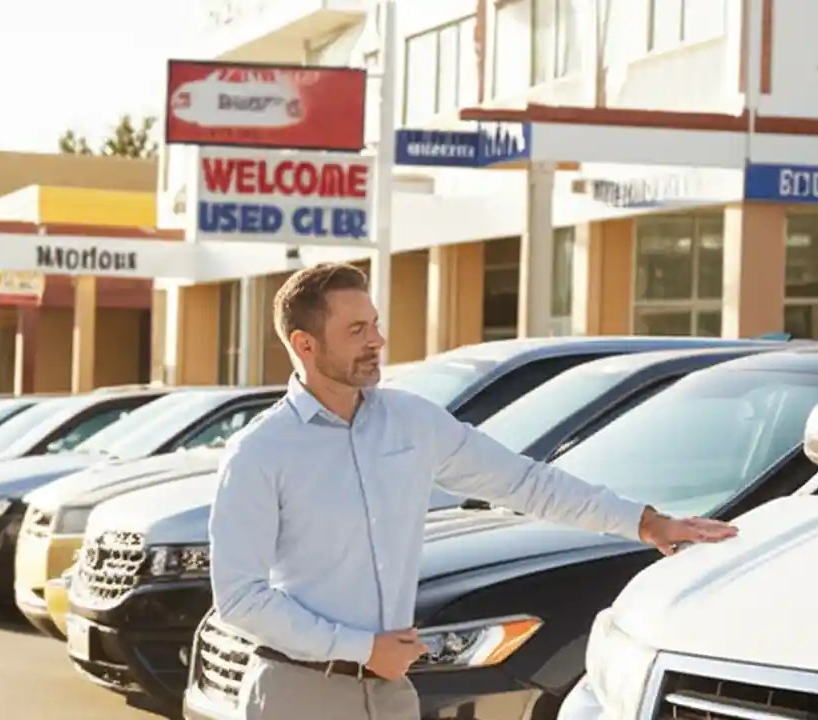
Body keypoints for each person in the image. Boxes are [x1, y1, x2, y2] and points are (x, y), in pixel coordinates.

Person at [208, 263, 738, 719]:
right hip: (297, 694)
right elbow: (239, 597)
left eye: (375, 324)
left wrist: (643, 522)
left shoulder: (412, 421)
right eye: (356, 330)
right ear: (304, 344)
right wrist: (362, 648)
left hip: (391, 693)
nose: (377, 341)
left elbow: (524, 481)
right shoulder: (260, 452)